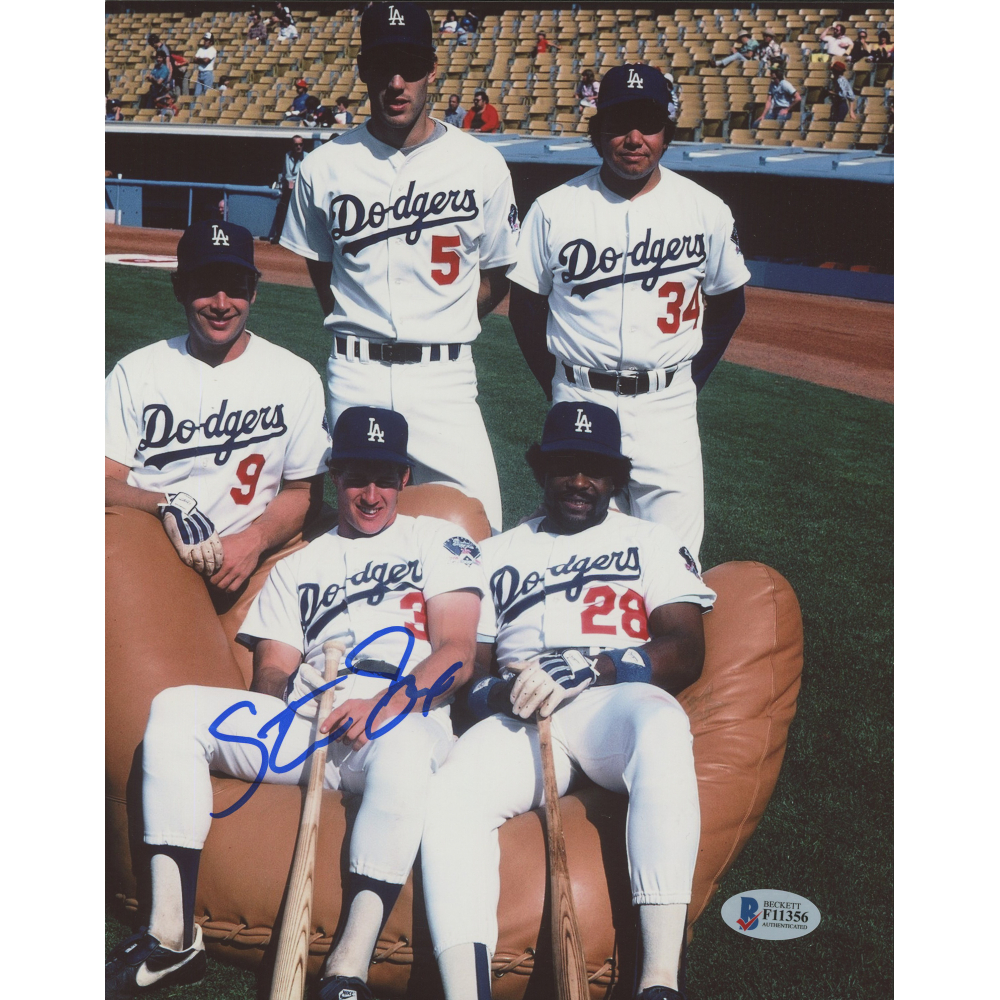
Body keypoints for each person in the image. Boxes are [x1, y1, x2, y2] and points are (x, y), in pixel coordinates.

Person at [104, 405, 486, 1000]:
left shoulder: (439, 541)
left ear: (405, 478)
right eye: (357, 475)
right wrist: (267, 715)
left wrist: (382, 708)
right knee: (177, 708)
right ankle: (171, 937)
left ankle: (347, 971)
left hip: (399, 720)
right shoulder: (300, 564)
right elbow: (276, 666)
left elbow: (458, 651)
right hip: (307, 719)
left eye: (385, 477)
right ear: (336, 475)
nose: (371, 492)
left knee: (407, 751)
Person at [421, 400, 716, 1000]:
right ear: (541, 471)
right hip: (522, 717)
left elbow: (685, 647)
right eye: (564, 466)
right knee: (452, 792)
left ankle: (659, 980)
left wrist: (597, 666)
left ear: (614, 478)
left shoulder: (651, 541)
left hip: (613, 704)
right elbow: (469, 679)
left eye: (593, 467)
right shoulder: (496, 553)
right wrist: (506, 690)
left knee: (662, 727)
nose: (579, 481)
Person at [279, 2, 519, 533]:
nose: (396, 81)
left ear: (432, 68)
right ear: (362, 69)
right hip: (356, 370)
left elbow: (497, 271)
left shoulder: (481, 164)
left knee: (480, 531)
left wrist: (449, 317)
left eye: (409, 65)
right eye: (382, 65)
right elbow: (326, 272)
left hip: (445, 377)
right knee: (358, 539)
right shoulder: (325, 166)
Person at [507, 64, 750, 559]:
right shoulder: (555, 208)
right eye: (620, 124)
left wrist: (688, 381)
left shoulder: (705, 209)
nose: (635, 138)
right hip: (579, 399)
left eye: (649, 123)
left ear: (667, 134)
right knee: (579, 557)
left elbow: (728, 305)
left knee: (675, 563)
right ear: (597, 132)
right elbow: (525, 311)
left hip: (668, 406)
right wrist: (561, 385)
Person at [104, 220, 331, 596]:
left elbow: (305, 490)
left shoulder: (296, 376)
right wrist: (163, 505)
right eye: (207, 286)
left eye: (236, 288)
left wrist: (254, 541)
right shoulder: (137, 371)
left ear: (254, 291)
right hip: (148, 558)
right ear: (179, 288)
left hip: (251, 564)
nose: (222, 304)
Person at [268, 135, 306, 243]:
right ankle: (278, 236)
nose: (298, 147)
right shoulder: (287, 155)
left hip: (300, 189)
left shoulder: (307, 156)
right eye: (296, 145)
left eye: (300, 144)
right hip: (288, 189)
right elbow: (285, 173)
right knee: (281, 210)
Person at [192, 32, 217, 97]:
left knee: (207, 93)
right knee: (197, 94)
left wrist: (199, 59)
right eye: (204, 40)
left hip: (207, 73)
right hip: (200, 73)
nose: (205, 42)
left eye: (207, 40)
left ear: (211, 42)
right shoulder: (201, 49)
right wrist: (202, 60)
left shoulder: (212, 50)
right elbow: (194, 59)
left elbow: (206, 61)